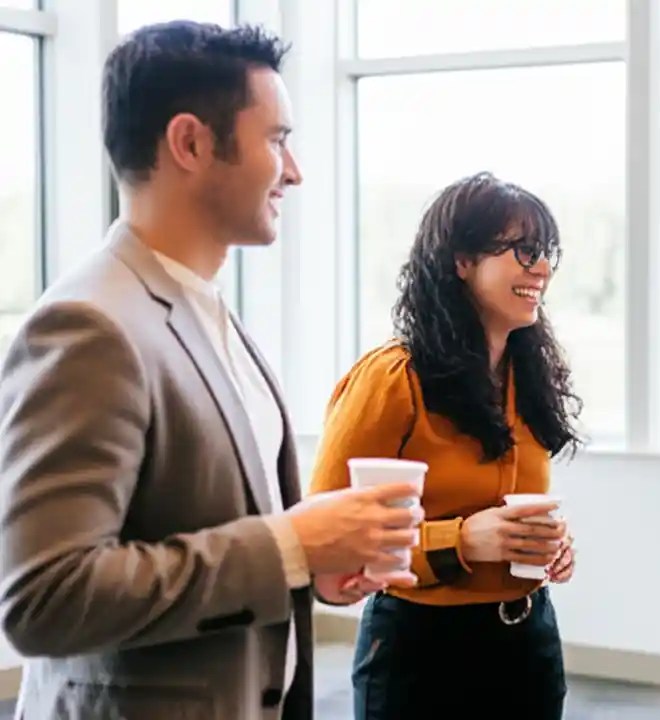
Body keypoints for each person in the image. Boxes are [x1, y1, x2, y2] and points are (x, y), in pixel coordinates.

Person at [0, 21, 424, 720]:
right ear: (191, 143)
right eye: (277, 139)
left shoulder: (207, 313)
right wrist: (292, 543)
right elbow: (45, 599)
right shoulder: (91, 326)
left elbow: (216, 529)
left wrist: (313, 565)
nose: (294, 170)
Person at [309, 171, 582, 719]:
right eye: (524, 251)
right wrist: (458, 541)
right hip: (420, 649)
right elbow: (325, 547)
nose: (543, 268)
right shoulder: (393, 378)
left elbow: (514, 518)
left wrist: (552, 547)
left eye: (547, 252)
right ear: (462, 260)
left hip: (528, 641)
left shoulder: (528, 377)